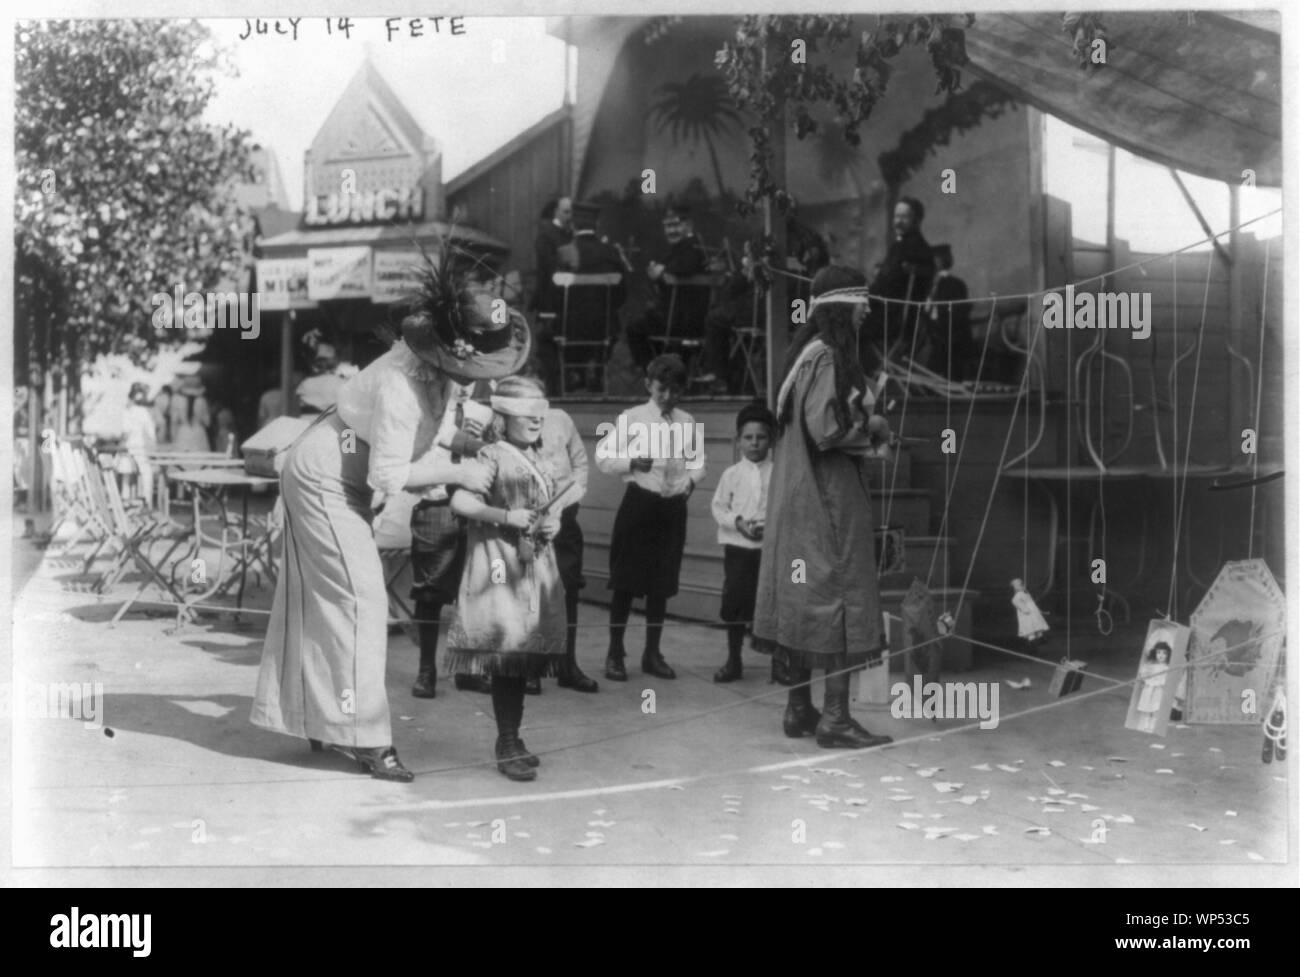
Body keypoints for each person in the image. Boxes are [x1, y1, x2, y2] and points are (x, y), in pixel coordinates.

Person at [250, 254, 531, 783]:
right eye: (473, 368)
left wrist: (465, 442)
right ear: (449, 352)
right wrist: (460, 474)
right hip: (325, 477)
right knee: (362, 601)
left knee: (328, 601)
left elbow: (439, 425)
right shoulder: (402, 383)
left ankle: (320, 717)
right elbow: (389, 474)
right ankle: (368, 737)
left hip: (347, 470)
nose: (474, 380)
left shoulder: (437, 372)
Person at [753, 266, 895, 750]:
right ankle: (835, 718)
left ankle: (799, 708)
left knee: (803, 596)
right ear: (840, 307)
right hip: (827, 498)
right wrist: (873, 428)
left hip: (795, 497)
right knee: (842, 596)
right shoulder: (830, 358)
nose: (868, 309)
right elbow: (827, 431)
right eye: (861, 300)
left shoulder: (804, 356)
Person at [446, 375, 568, 782]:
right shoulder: (491, 454)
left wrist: (553, 524)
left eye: (540, 414)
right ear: (504, 416)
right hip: (499, 564)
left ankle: (514, 737)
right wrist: (505, 517)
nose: (536, 422)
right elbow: (461, 500)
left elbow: (550, 506)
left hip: (535, 567)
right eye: (526, 415)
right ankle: (507, 742)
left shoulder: (541, 456)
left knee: (521, 657)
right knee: (507, 656)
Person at [597, 353, 706, 681]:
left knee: (661, 583)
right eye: (662, 390)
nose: (668, 397)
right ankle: (615, 652)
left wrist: (690, 482)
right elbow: (603, 456)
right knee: (626, 582)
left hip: (672, 508)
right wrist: (631, 462)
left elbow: (699, 462)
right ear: (648, 385)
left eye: (675, 391)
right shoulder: (632, 418)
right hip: (639, 506)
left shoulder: (686, 422)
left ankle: (652, 653)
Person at [710, 402, 775, 682]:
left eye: (760, 437)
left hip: (769, 550)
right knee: (736, 603)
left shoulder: (778, 472)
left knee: (771, 604)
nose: (754, 443)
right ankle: (733, 660)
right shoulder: (732, 474)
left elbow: (785, 507)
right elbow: (718, 507)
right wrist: (739, 523)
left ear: (770, 440)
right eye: (748, 438)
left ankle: (779, 662)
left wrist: (768, 526)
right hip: (739, 549)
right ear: (738, 442)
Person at [624, 205, 709, 372]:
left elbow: (687, 267)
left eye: (675, 225)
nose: (671, 231)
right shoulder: (681, 248)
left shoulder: (693, 247)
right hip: (679, 318)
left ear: (688, 225)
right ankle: (662, 370)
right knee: (645, 320)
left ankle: (651, 371)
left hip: (683, 321)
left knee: (634, 328)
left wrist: (663, 271)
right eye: (667, 226)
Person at [866, 197, 934, 364]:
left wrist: (862, 296)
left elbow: (885, 285)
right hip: (908, 320)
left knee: (846, 324)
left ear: (916, 220)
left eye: (904, 217)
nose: (898, 222)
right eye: (896, 216)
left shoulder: (904, 249)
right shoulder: (923, 249)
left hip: (893, 320)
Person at [531, 196, 575, 392]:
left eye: (571, 212)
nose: (570, 216)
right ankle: (554, 387)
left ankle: (568, 380)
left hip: (570, 300)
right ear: (556, 212)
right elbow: (549, 271)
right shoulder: (546, 236)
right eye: (566, 212)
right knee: (547, 340)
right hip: (551, 299)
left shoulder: (570, 234)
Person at [923, 244, 974, 379]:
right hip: (935, 335)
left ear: (943, 261)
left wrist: (942, 330)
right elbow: (927, 308)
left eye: (934, 259)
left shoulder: (955, 284)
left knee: (946, 372)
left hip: (951, 338)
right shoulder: (930, 284)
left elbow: (958, 314)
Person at [118, 382, 157, 506]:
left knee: (126, 472)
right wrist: (153, 444)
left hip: (129, 444)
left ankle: (125, 498)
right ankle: (147, 498)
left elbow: (125, 431)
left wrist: (121, 444)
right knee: (145, 471)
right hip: (138, 445)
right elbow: (151, 432)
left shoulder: (127, 411)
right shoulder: (143, 411)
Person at [295, 342, 345, 415]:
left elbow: (297, 402)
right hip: (331, 421)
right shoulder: (342, 383)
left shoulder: (305, 383)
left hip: (306, 421)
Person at [1134, 641, 1172, 733]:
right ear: (1155, 653)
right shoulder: (1150, 665)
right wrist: (1147, 679)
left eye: (1164, 653)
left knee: (1156, 708)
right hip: (1149, 688)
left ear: (1168, 655)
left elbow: (1166, 679)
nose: (1161, 655)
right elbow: (1143, 674)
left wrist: (1160, 682)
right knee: (1147, 707)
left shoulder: (1167, 667)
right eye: (1158, 652)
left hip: (1158, 690)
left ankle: (1153, 725)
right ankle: (1145, 724)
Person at [169, 376, 211, 452]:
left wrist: (173, 440)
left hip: (183, 432)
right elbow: (207, 422)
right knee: (199, 459)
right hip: (199, 433)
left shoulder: (177, 400)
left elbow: (174, 421)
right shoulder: (202, 401)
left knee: (183, 459)